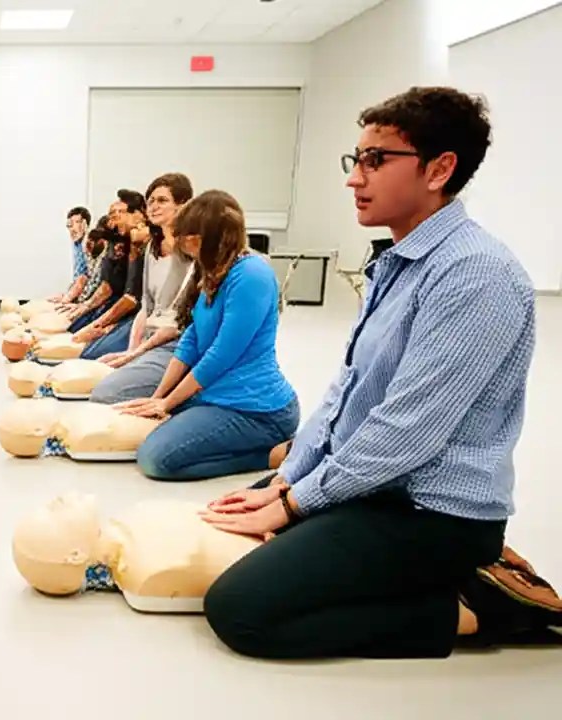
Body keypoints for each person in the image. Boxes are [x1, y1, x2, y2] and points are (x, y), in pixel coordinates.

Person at [200, 87, 559, 659]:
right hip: (375, 488)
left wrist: (294, 505)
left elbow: (405, 429)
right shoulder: (398, 261)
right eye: (356, 159)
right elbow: (347, 390)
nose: (355, 178)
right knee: (229, 515)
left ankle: (482, 607)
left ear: (440, 169)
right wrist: (291, 478)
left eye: (376, 160)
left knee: (241, 611)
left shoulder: (478, 276)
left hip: (432, 514)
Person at [120, 190, 299, 481]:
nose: (183, 245)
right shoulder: (214, 271)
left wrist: (167, 404)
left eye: (189, 238)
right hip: (216, 396)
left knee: (156, 459)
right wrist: (158, 397)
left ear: (211, 237)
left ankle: (270, 453)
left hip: (256, 408)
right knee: (142, 425)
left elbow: (221, 354)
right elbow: (192, 338)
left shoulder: (251, 274)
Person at [90, 176, 198, 403]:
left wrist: (135, 355)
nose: (154, 206)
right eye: (150, 201)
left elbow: (176, 324)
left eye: (162, 200)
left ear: (183, 204)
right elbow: (146, 308)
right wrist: (131, 351)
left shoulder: (192, 251)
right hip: (151, 337)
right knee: (95, 366)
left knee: (105, 393)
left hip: (174, 344)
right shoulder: (152, 248)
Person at [69, 191, 148, 354]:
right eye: (112, 215)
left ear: (140, 214)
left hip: (143, 316)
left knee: (91, 352)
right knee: (77, 333)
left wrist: (100, 324)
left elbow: (131, 299)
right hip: (130, 309)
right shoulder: (123, 242)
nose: (113, 222)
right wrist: (83, 307)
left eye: (119, 214)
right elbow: (107, 286)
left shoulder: (146, 244)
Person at [48, 206, 92, 303]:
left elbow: (83, 279)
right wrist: (66, 294)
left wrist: (65, 300)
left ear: (85, 224)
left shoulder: (88, 243)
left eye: (76, 223)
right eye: (69, 225)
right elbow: (78, 278)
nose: (71, 229)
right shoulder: (76, 244)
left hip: (88, 301)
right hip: (79, 297)